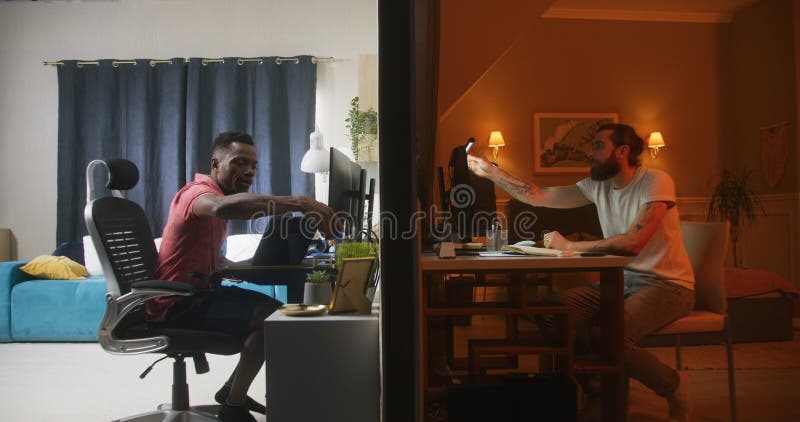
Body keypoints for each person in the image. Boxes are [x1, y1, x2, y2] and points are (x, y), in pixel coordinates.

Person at [467, 123, 695, 421]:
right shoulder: (596, 185)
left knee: (609, 334)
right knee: (553, 311)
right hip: (619, 281)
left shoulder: (655, 181)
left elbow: (633, 242)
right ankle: (599, 388)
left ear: (623, 151)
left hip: (668, 286)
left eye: (598, 145)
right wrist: (492, 172)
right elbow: (538, 195)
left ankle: (673, 385)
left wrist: (572, 247)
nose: (590, 152)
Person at [147, 131, 338, 422]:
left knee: (277, 317)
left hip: (199, 293)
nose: (248, 171)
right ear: (215, 164)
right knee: (272, 319)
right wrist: (301, 202)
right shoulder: (197, 194)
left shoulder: (217, 198)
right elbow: (223, 207)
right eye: (239, 162)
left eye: (253, 165)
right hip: (175, 303)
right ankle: (233, 405)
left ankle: (231, 396)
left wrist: (248, 265)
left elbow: (208, 256)